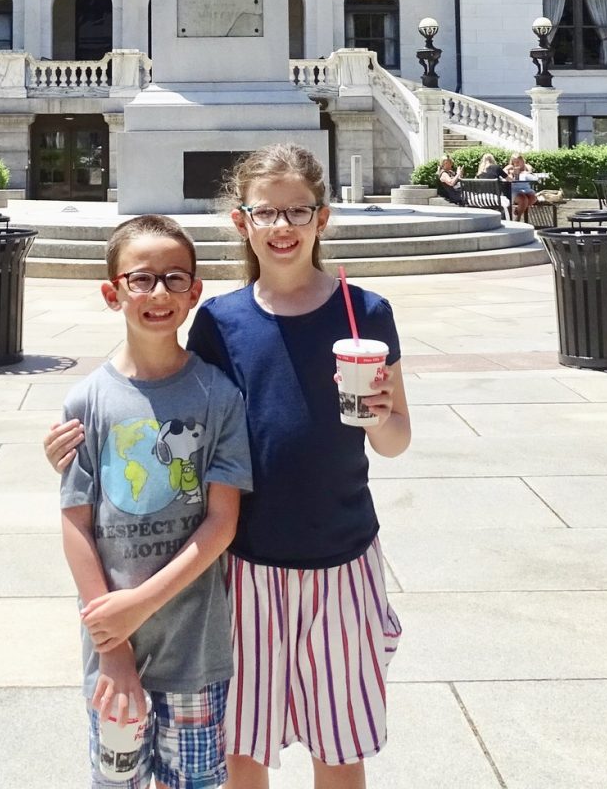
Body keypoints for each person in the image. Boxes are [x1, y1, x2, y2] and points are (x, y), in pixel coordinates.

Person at [49, 143, 413, 789]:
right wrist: (77, 443)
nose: (282, 226)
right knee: (242, 747)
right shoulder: (220, 321)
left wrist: (381, 414)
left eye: (297, 211)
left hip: (344, 553)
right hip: (244, 568)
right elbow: (173, 406)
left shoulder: (368, 312)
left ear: (322, 218)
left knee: (339, 744)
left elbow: (394, 441)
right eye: (266, 212)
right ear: (241, 220)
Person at [60, 214, 252, 789]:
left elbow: (221, 523)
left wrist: (138, 604)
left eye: (175, 279)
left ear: (196, 293)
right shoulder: (86, 401)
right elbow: (75, 525)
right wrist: (113, 644)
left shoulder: (217, 395)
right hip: (111, 653)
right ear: (112, 291)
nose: (159, 293)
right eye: (141, 279)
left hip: (195, 649)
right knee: (115, 781)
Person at [502, 153, 536, 221]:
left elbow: (531, 173)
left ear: (522, 161)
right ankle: (518, 218)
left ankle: (518, 210)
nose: (516, 164)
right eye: (514, 162)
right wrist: (510, 172)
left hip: (526, 189)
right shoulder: (510, 167)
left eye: (518, 162)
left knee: (533, 198)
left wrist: (525, 172)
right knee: (523, 199)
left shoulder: (527, 167)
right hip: (515, 190)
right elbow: (503, 172)